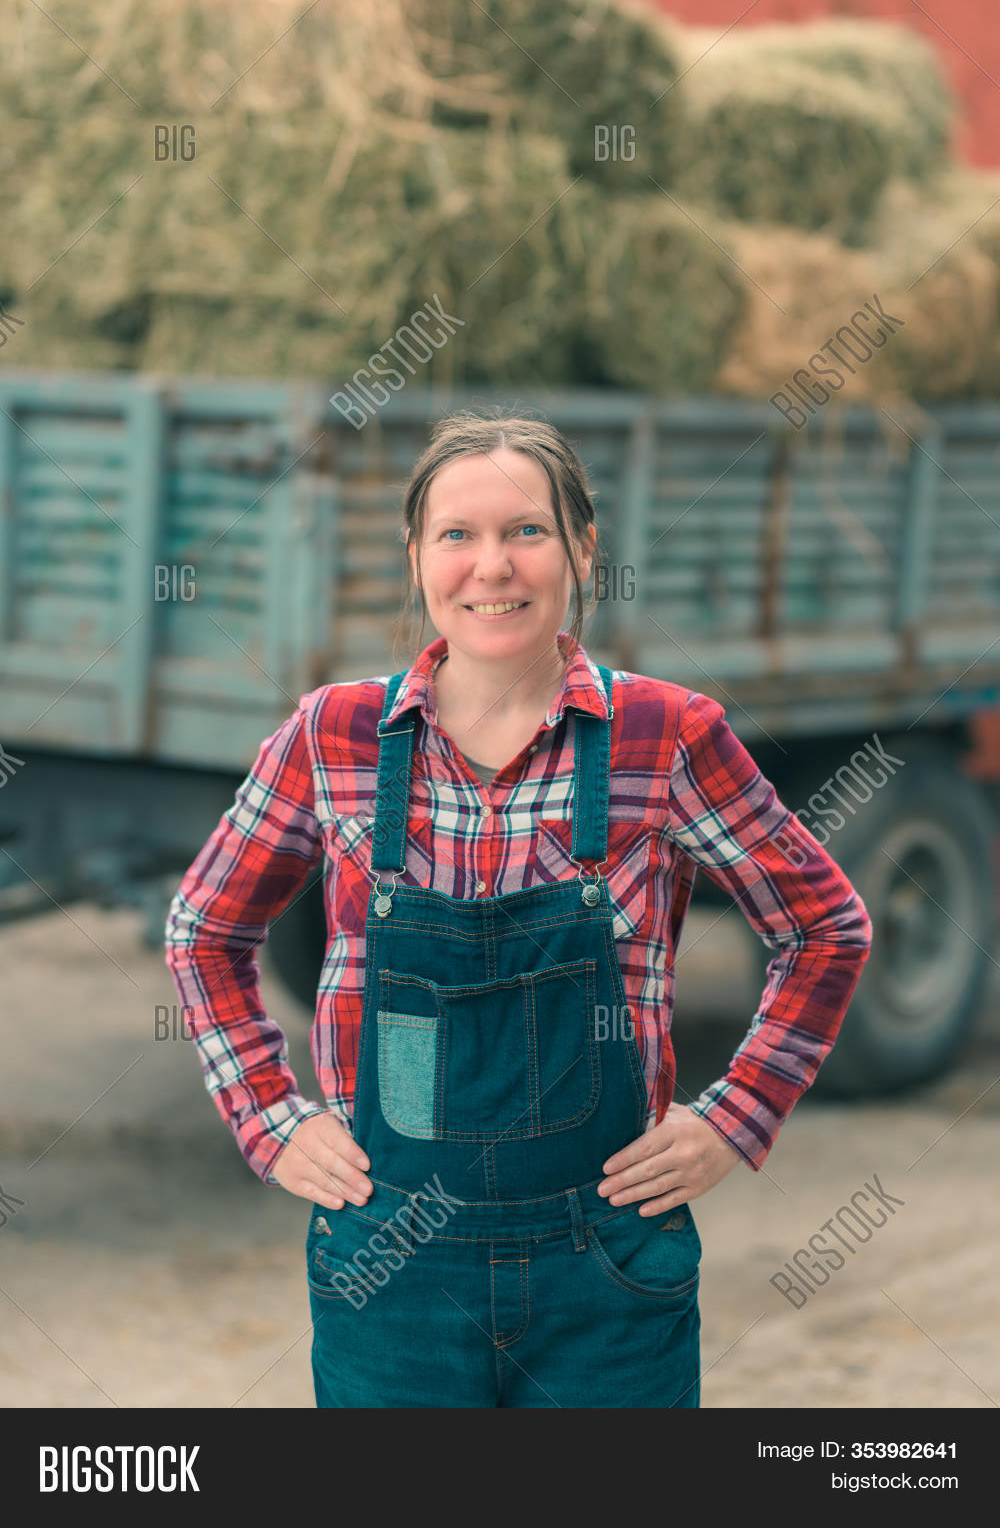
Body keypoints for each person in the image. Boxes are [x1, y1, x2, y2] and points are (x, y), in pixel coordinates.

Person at [164, 408, 873, 1408]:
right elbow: (203, 931)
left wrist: (736, 1118)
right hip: (391, 1265)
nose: (490, 566)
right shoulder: (333, 735)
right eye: (456, 534)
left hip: (607, 1266)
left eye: (526, 531)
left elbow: (824, 928)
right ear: (416, 556)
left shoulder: (667, 734)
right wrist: (269, 1120)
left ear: (581, 548)